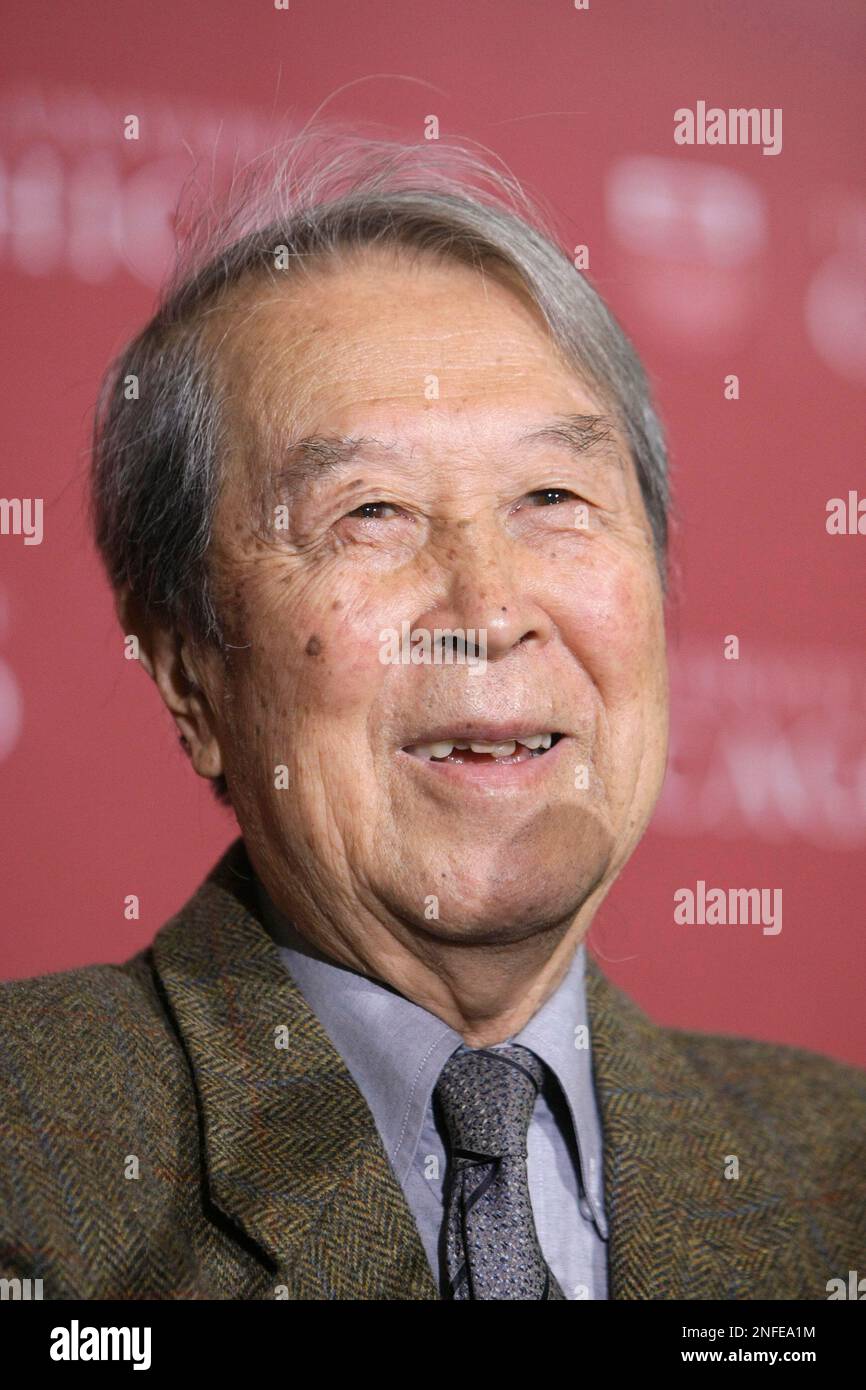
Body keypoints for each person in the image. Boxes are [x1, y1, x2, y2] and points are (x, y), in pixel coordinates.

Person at [1, 132, 863, 1300]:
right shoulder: (33, 1161)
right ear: (189, 673)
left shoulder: (837, 1186)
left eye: (552, 497)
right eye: (371, 513)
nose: (489, 607)